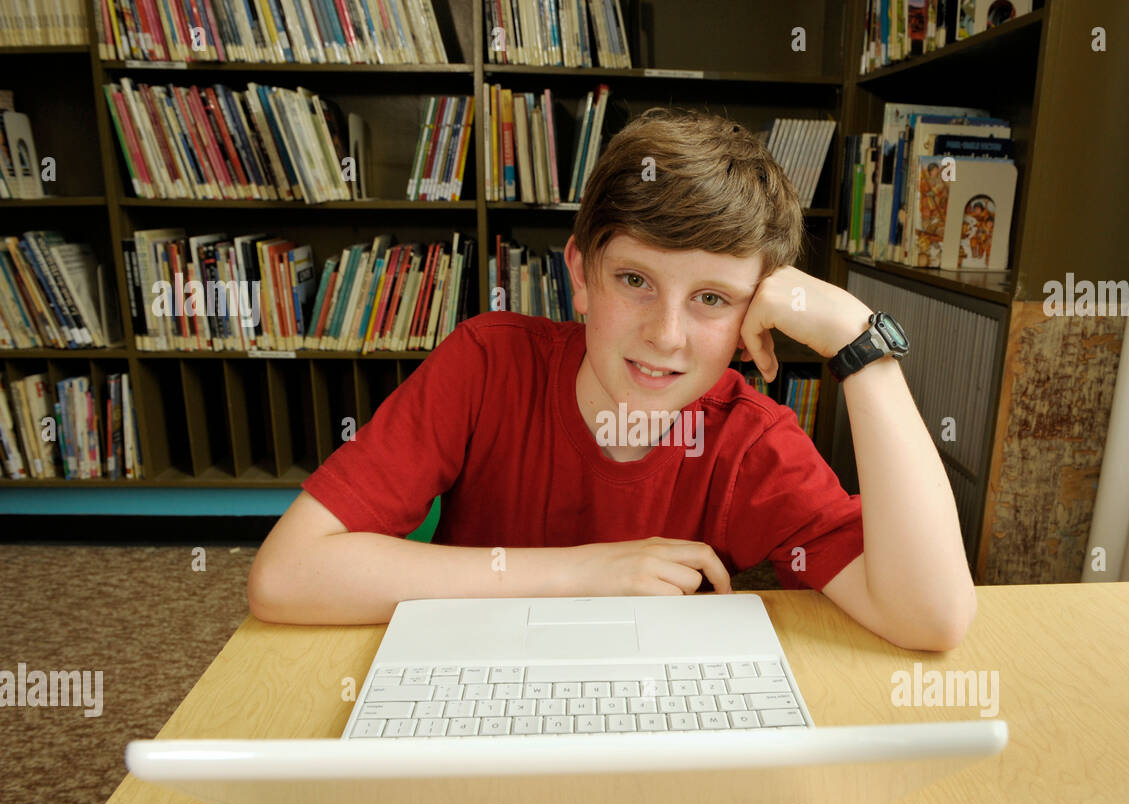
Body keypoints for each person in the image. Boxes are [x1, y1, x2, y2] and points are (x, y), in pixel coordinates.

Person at [247, 107, 976, 651]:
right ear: (581, 277)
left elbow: (932, 615)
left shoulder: (748, 441)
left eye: (712, 299)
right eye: (635, 279)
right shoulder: (487, 361)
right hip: (483, 668)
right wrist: (585, 572)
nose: (665, 334)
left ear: (756, 313)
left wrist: (859, 343)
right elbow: (284, 575)